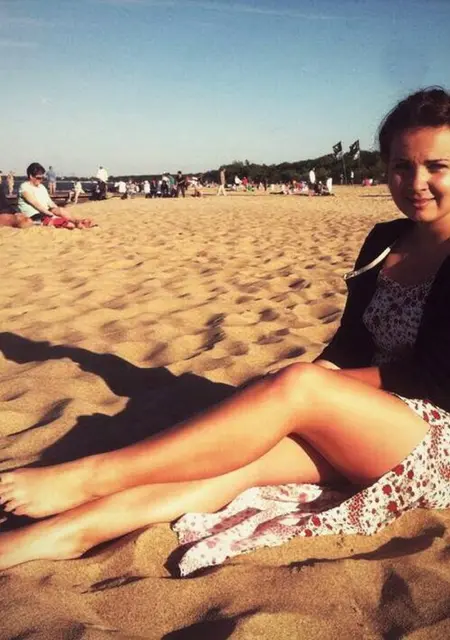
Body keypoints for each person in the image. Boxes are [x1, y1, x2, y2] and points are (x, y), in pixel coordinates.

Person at [1, 88, 450, 575]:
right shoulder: (385, 239)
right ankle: (56, 536)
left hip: (433, 437)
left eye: (437, 167)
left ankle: (94, 476)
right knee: (235, 459)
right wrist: (287, 391)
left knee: (296, 385)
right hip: (367, 419)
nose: (416, 183)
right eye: (402, 166)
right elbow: (350, 343)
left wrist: (310, 388)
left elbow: (435, 380)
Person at [17, 163, 95, 229]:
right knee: (66, 223)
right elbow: (36, 204)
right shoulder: (24, 187)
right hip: (34, 215)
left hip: (45, 212)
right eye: (38, 178)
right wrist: (51, 214)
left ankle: (77, 221)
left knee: (60, 210)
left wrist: (57, 210)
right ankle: (76, 224)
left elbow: (49, 202)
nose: (41, 180)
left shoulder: (41, 187)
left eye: (42, 178)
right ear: (31, 176)